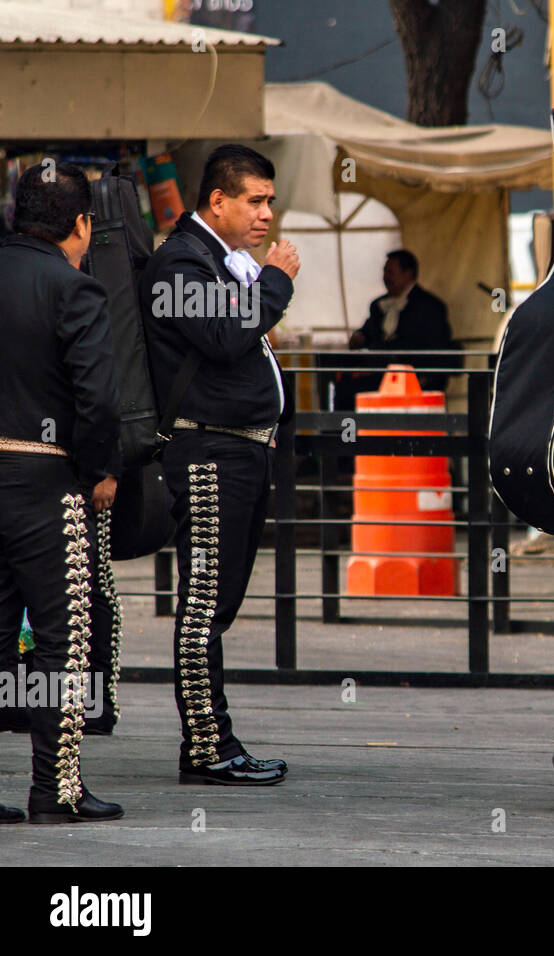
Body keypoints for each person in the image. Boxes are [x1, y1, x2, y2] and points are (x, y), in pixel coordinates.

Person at [139, 144, 299, 786]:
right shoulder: (181, 261)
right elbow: (230, 334)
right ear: (218, 201)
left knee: (219, 599)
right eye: (255, 200)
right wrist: (277, 280)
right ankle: (208, 747)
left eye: (269, 201)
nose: (267, 214)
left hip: (237, 448)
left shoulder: (213, 259)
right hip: (207, 452)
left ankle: (213, 742)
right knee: (205, 602)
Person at [0, 163, 123, 823]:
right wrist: (98, 469)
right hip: (45, 481)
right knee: (61, 639)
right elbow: (99, 400)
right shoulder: (74, 289)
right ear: (80, 224)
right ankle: (56, 789)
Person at [341, 249, 456, 401]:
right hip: (380, 376)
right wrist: (359, 336)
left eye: (390, 272)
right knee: (344, 390)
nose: (385, 278)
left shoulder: (430, 306)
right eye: (384, 272)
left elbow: (434, 348)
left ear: (408, 274)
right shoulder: (378, 305)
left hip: (415, 378)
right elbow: (368, 331)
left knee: (350, 391)